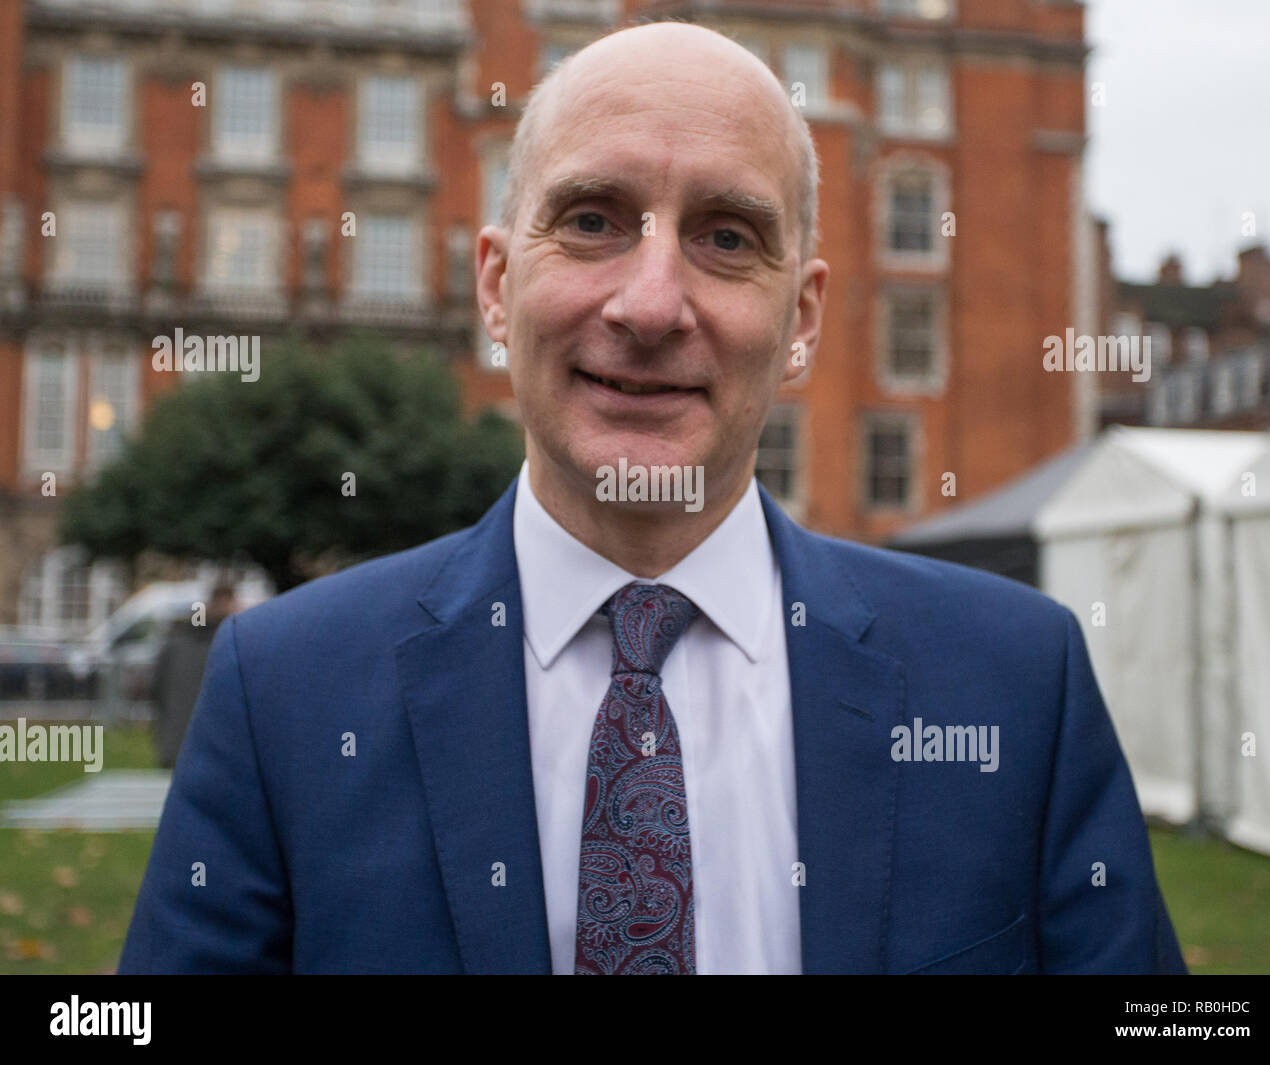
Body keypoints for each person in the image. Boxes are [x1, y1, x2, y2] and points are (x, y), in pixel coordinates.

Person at [120, 22, 1185, 975]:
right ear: (496, 285)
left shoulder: (1009, 685)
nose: (650, 303)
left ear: (802, 317)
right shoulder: (284, 694)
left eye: (726, 237)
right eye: (591, 220)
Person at [148, 584, 236, 769]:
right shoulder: (228, 643)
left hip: (176, 740)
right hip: (213, 745)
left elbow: (155, 688)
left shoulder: (176, 640)